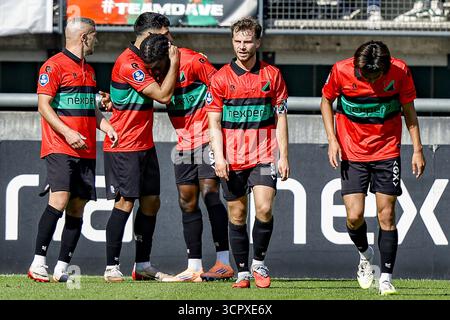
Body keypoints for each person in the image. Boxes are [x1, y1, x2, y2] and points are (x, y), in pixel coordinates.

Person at [320, 40, 426, 295]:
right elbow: (326, 102)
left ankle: (387, 278)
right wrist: (332, 139)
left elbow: (409, 112)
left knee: (386, 215)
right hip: (352, 152)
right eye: (364, 73)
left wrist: (418, 149)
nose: (369, 79)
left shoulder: (400, 72)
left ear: (385, 68)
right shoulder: (340, 70)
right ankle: (365, 255)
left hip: (387, 151)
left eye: (374, 75)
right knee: (354, 216)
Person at [138, 13, 233, 283]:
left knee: (210, 193)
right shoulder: (149, 67)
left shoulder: (193, 61)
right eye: (151, 70)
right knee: (186, 201)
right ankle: (194, 267)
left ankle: (223, 262)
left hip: (208, 137)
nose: (154, 73)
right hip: (183, 142)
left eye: (157, 68)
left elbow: (221, 87)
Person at [28, 17, 118, 283]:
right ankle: (37, 263)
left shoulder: (88, 71)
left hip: (86, 150)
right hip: (59, 146)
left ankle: (61, 268)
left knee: (78, 208)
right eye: (95, 36)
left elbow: (91, 110)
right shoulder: (53, 66)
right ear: (84, 37)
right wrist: (67, 132)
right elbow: (44, 107)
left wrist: (107, 126)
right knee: (59, 199)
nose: (97, 41)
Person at [206, 17, 290, 289]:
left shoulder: (272, 76)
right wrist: (219, 157)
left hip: (264, 155)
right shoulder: (220, 79)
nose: (242, 47)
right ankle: (242, 272)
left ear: (258, 42)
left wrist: (284, 156)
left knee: (264, 208)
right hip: (232, 159)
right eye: (237, 41)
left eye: (247, 41)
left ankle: (258, 263)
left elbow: (281, 119)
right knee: (237, 215)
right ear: (232, 42)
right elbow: (214, 124)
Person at [102, 12, 180, 282]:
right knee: (124, 204)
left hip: (144, 144)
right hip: (124, 145)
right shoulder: (129, 62)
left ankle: (143, 265)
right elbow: (164, 95)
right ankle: (111, 266)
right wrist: (176, 63)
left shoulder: (148, 59)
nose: (169, 39)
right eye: (165, 34)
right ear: (150, 34)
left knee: (151, 203)